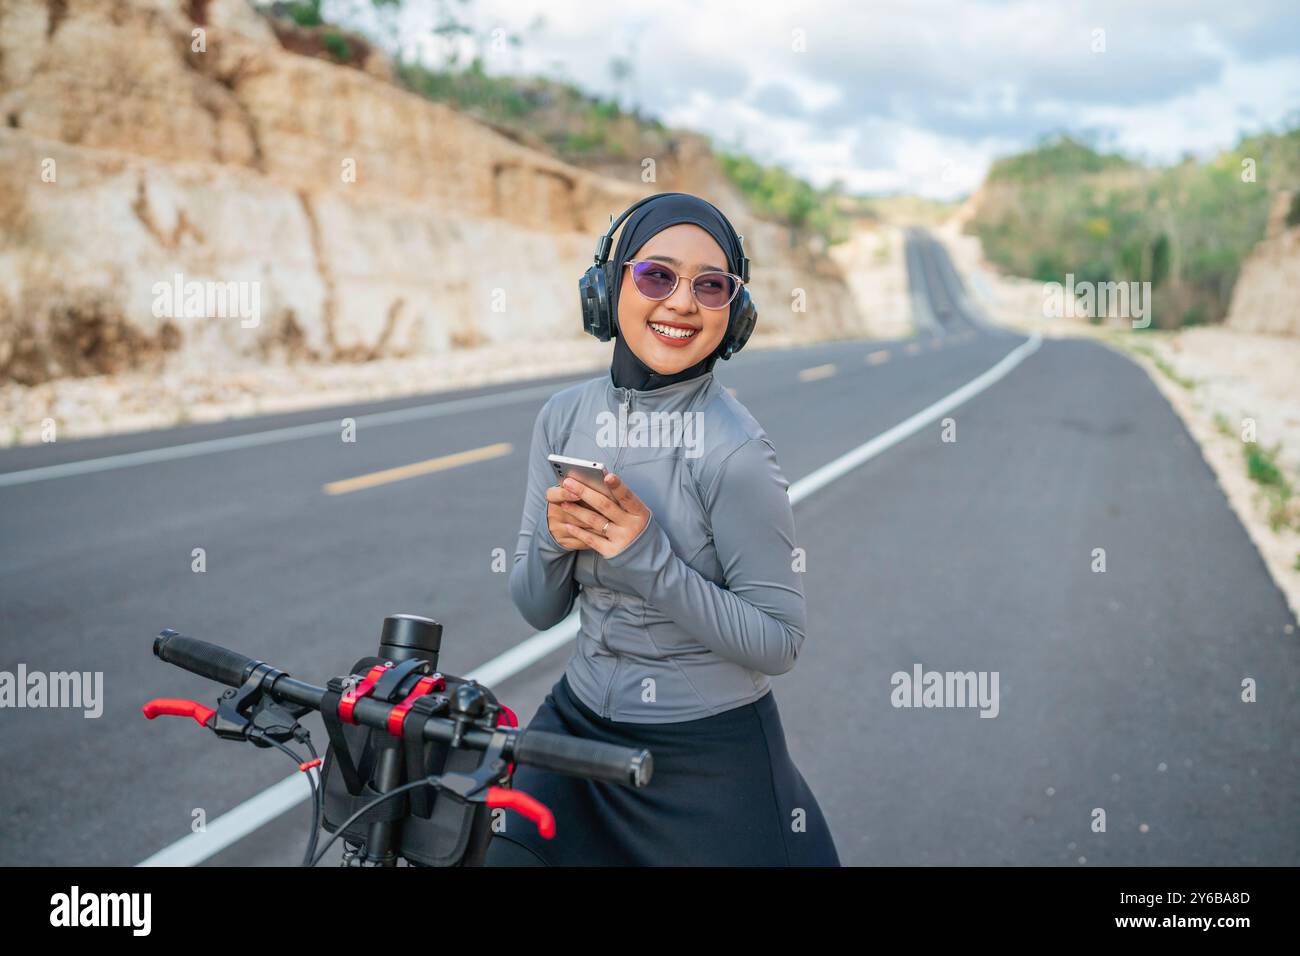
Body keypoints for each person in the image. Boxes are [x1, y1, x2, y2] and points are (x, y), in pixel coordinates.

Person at [483, 192, 840, 866]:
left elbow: (780, 642)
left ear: (734, 317)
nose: (681, 302)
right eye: (656, 275)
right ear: (607, 286)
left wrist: (650, 559)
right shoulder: (562, 417)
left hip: (704, 758)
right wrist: (556, 543)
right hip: (577, 728)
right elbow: (537, 608)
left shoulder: (736, 451)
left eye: (711, 286)